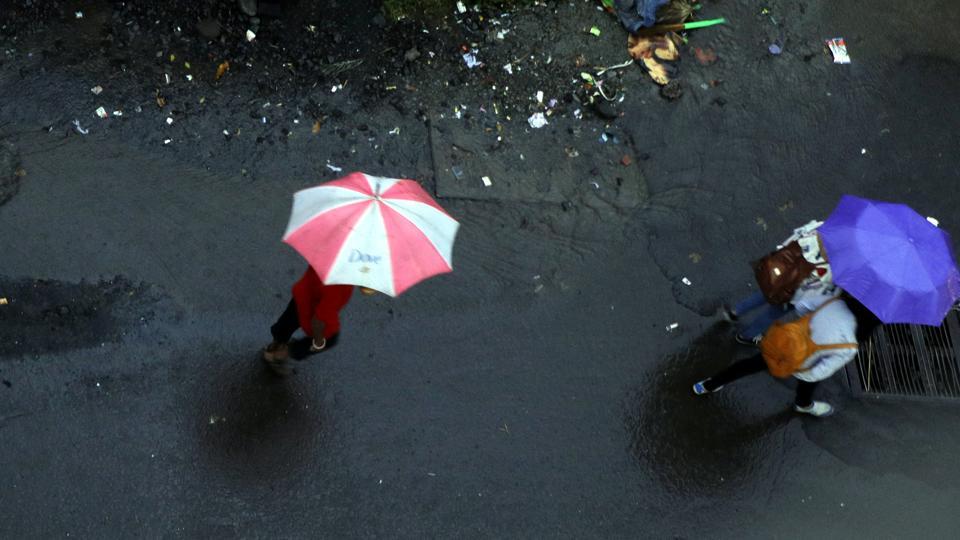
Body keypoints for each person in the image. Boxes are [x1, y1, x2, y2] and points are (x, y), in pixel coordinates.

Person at [695, 295, 860, 417]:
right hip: (802, 365)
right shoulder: (849, 345)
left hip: (784, 344)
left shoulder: (832, 302)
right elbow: (822, 371)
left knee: (748, 365)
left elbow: (802, 306)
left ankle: (709, 384)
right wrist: (799, 371)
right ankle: (803, 404)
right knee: (807, 387)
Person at [723, 219, 836, 344]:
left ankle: (735, 312)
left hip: (780, 273)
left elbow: (792, 238)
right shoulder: (834, 268)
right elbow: (817, 291)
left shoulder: (818, 228)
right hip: (792, 293)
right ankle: (747, 336)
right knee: (772, 313)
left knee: (764, 294)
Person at [262, 266, 374, 374]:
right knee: (330, 338)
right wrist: (318, 342)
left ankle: (275, 344)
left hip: (303, 293)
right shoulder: (342, 286)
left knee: (289, 321)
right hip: (312, 308)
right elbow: (319, 320)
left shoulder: (329, 256)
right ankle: (278, 355)